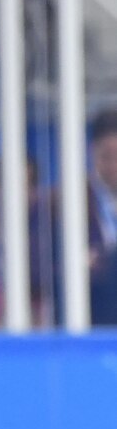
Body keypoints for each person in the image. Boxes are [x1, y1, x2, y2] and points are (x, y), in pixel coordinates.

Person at [82, 109, 117, 325]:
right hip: (93, 323)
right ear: (92, 152)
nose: (114, 166)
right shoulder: (67, 204)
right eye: (107, 156)